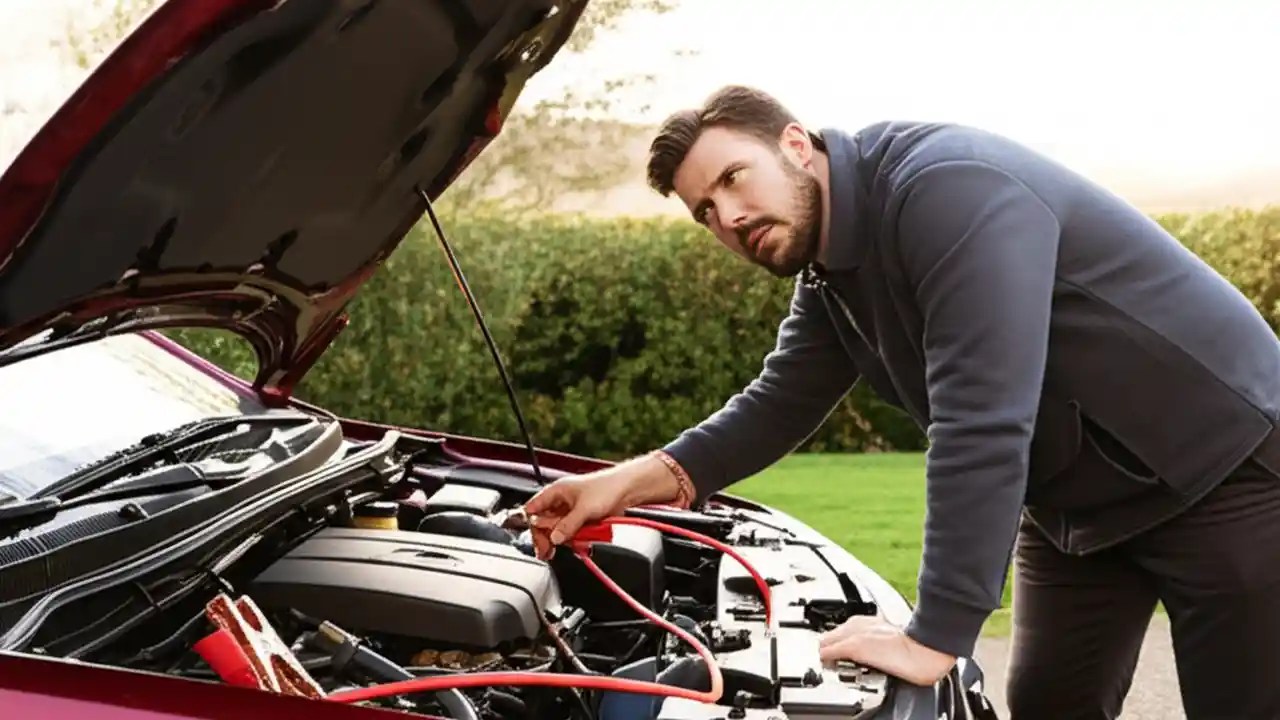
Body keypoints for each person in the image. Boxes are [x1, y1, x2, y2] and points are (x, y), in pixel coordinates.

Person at [522, 85, 1280, 719]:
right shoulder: (830, 271)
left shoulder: (945, 189)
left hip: (1220, 471)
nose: (727, 217)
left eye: (732, 178)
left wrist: (936, 632)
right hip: (1080, 509)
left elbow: (981, 419)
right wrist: (622, 483)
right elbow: (777, 403)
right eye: (703, 211)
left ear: (795, 144)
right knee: (1050, 702)